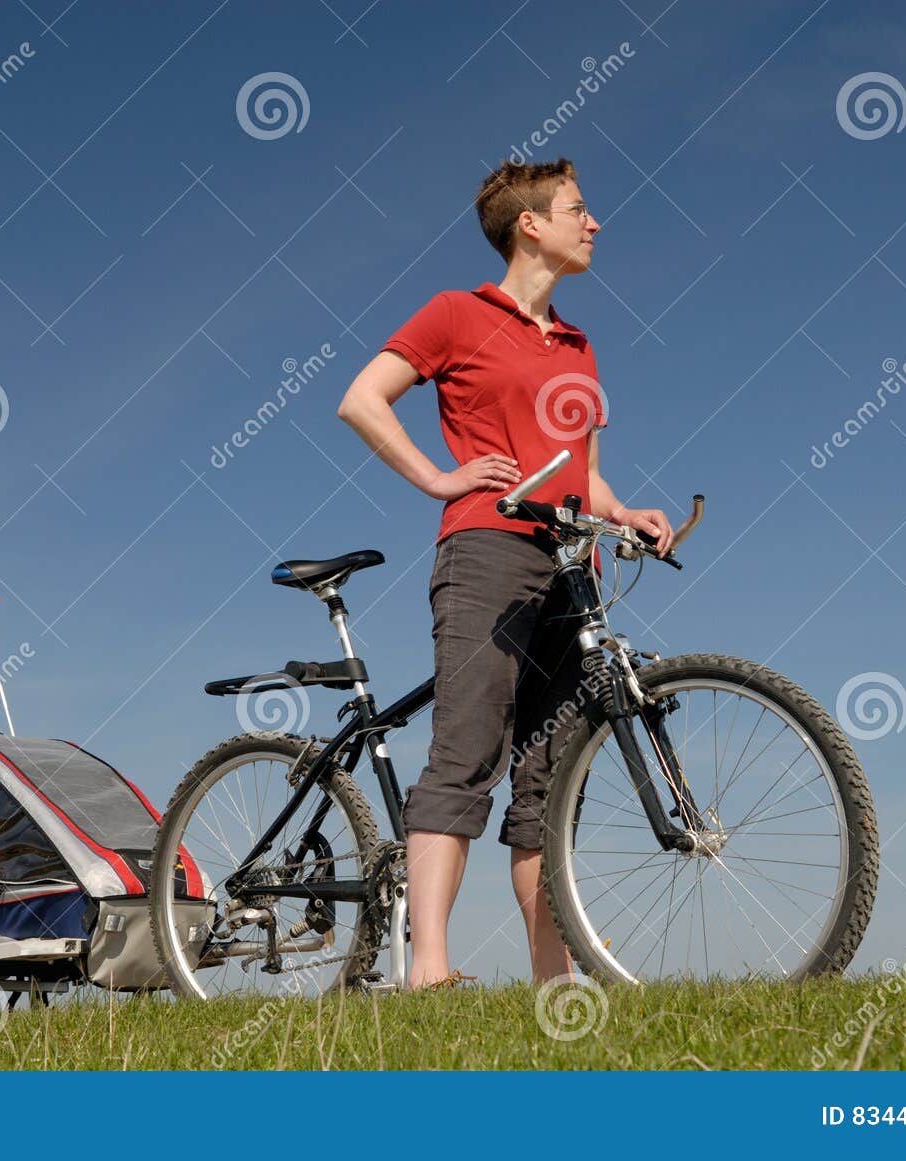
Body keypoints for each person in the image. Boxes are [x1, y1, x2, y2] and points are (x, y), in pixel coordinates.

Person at [336, 158, 672, 990]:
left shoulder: (579, 343)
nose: (594, 224)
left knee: (549, 778)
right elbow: (362, 399)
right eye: (578, 210)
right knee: (467, 752)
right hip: (487, 546)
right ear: (530, 225)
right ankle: (430, 969)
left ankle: (552, 980)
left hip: (572, 562)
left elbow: (582, 471)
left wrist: (623, 512)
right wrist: (439, 477)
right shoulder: (457, 313)